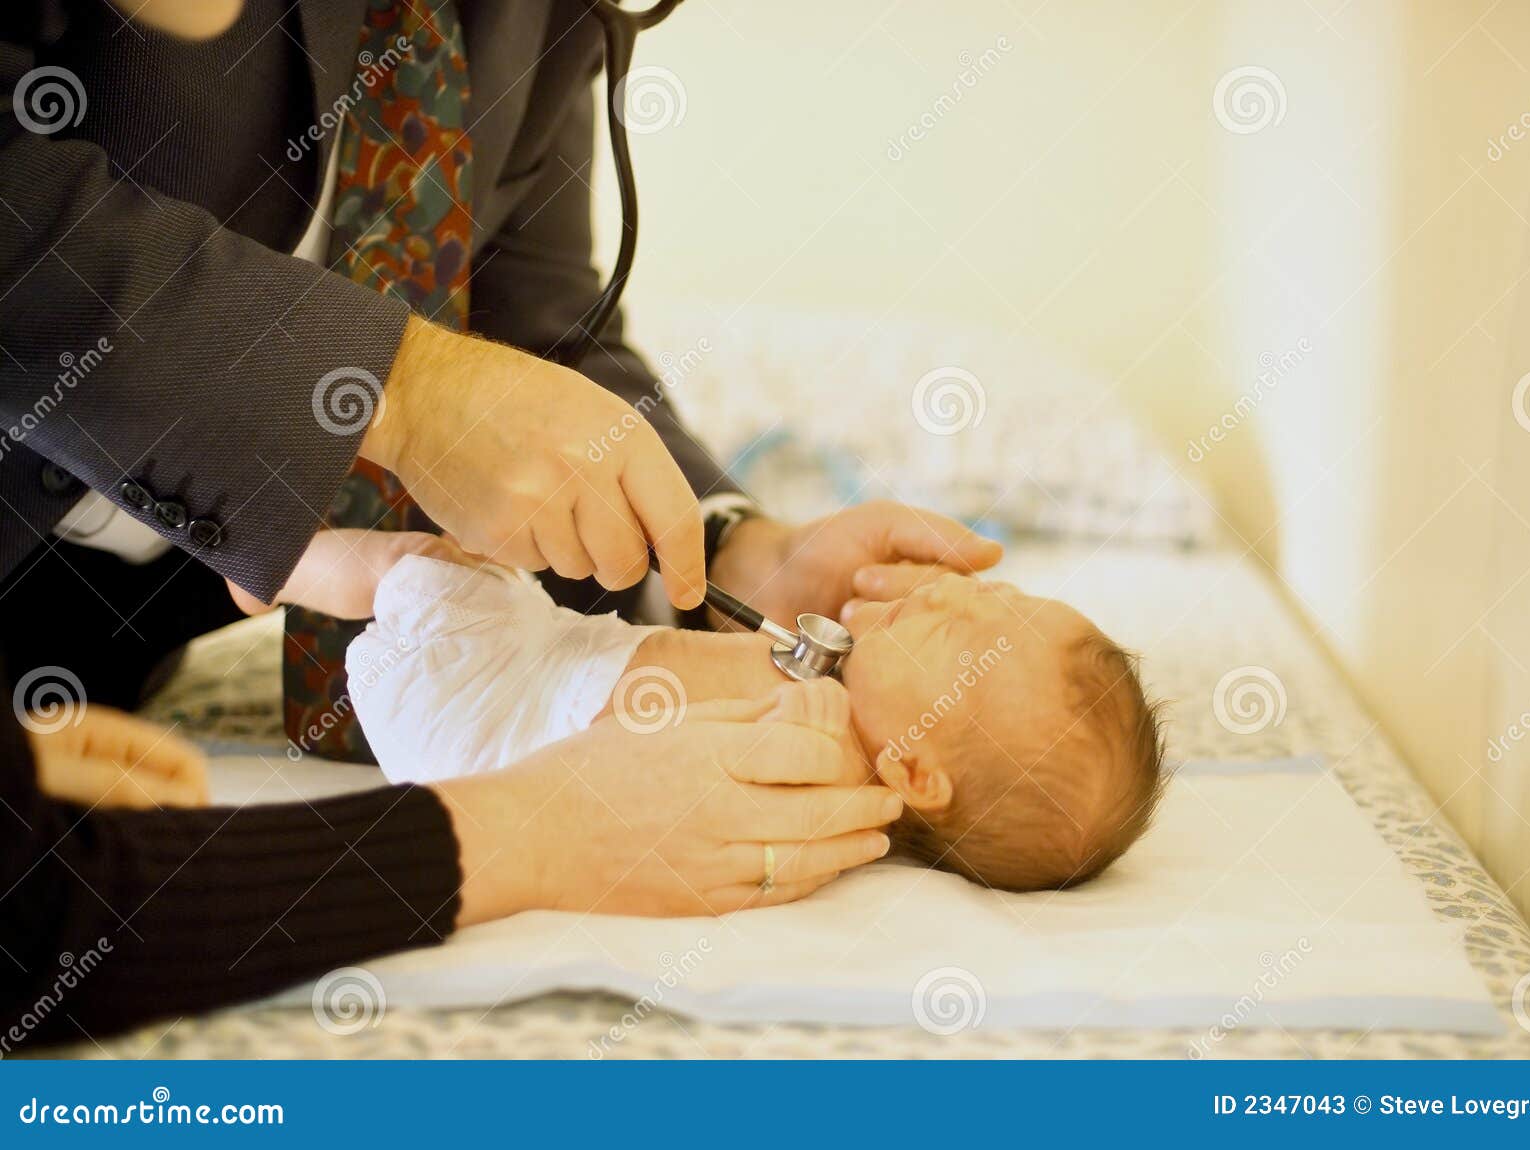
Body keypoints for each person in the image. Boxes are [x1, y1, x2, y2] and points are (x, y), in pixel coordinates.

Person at [0, 0, 1000, 1046]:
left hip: (111, 659)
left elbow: (536, 328)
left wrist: (738, 548)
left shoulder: (545, 21)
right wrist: (404, 387)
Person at [348, 551, 1167, 891]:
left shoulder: (817, 759)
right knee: (436, 568)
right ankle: (292, 564)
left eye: (958, 631)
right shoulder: (842, 704)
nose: (948, 589)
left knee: (413, 569)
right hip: (542, 660)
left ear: (916, 771)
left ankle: (293, 561)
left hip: (493, 723)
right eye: (993, 593)